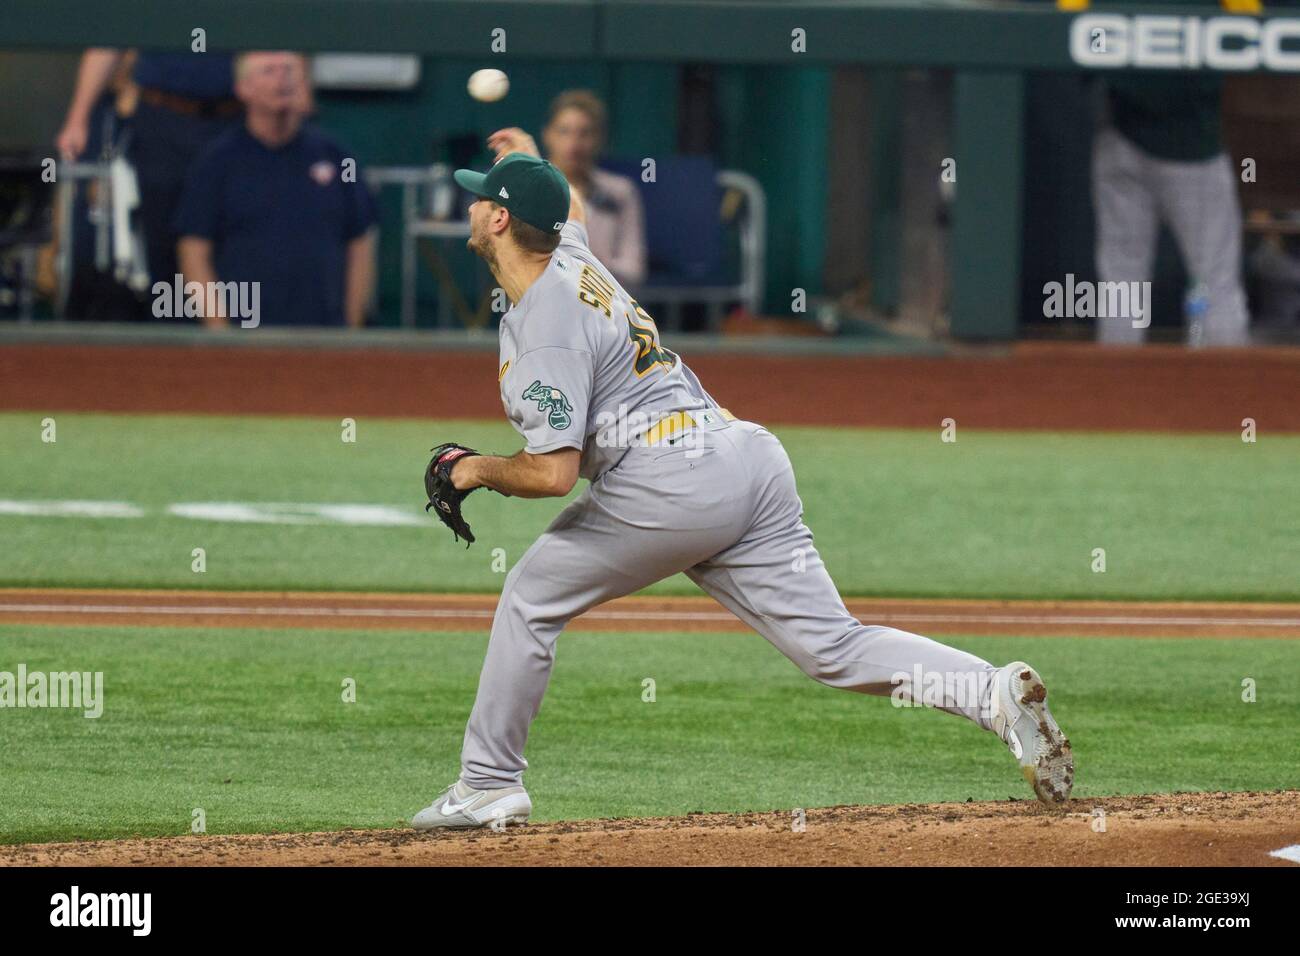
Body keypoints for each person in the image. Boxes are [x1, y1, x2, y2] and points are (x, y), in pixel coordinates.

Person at [411, 128, 1074, 830]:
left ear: (502, 221)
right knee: (833, 647)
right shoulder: (570, 251)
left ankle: (488, 783)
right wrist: (528, 155)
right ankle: (988, 691)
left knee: (529, 600)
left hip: (671, 483)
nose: (473, 207)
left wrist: (470, 469)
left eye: (484, 199)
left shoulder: (544, 326)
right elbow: (568, 205)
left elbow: (551, 474)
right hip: (745, 457)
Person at [174, 52, 375, 328]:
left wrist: (351, 328)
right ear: (243, 88)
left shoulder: (338, 158)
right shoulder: (216, 163)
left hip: (324, 338)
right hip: (246, 338)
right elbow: (194, 248)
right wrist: (219, 331)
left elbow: (360, 241)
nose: (282, 79)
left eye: (289, 69)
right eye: (269, 71)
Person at [1092, 0, 1250, 346]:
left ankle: (1113, 389)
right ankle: (1227, 390)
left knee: (1122, 282)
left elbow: (1075, 30)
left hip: (1122, 134)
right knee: (1214, 281)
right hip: (1190, 146)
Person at [56, 49, 241, 293]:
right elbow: (109, 41)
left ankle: (231, 324)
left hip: (234, 118)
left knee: (236, 236)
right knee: (159, 242)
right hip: (163, 115)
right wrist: (78, 119)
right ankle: (163, 325)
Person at [541, 90, 647, 289]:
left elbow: (633, 269)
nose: (574, 144)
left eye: (585, 133)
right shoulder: (529, 189)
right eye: (564, 131)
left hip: (604, 307)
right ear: (548, 135)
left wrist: (581, 267)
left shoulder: (622, 192)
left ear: (599, 139)